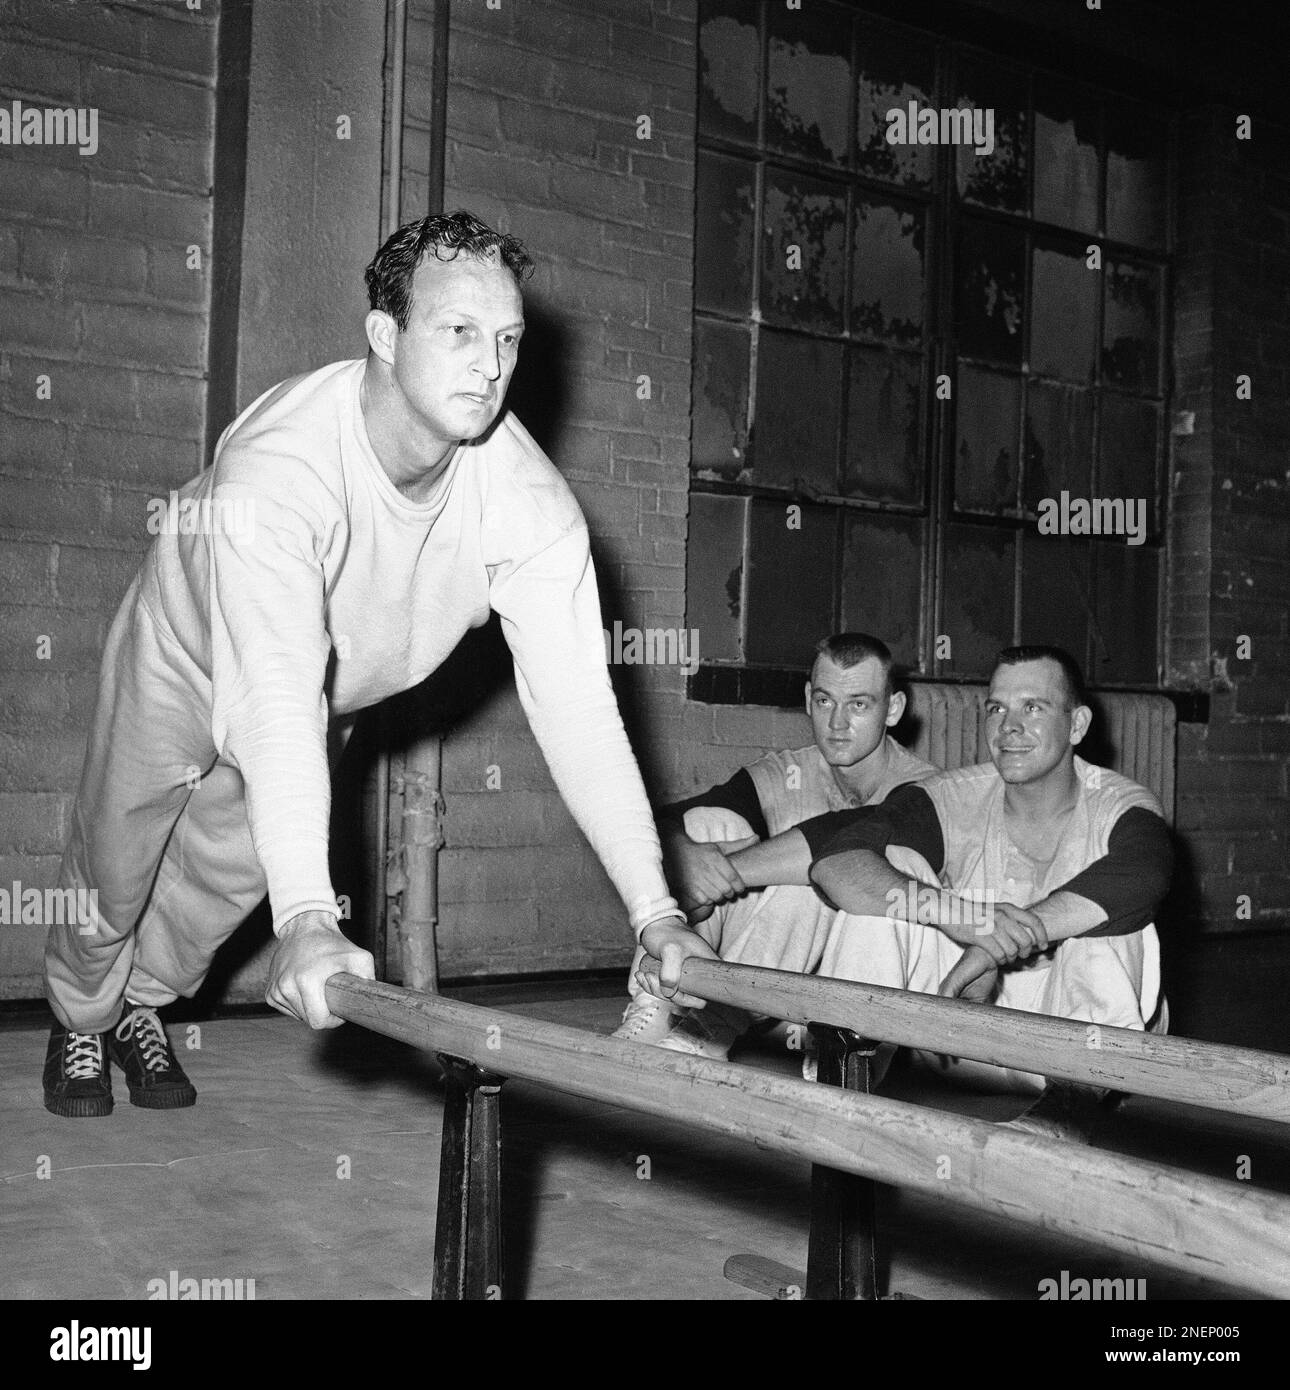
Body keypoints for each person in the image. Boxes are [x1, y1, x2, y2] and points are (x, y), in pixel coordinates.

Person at [42, 210, 696, 1119]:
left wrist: (654, 911)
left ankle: (142, 1008)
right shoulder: (279, 467)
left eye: (506, 338)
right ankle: (80, 1014)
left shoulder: (533, 510)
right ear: (384, 334)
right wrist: (311, 920)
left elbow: (583, 715)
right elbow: (270, 693)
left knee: (217, 892)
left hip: (319, 693)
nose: (490, 363)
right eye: (458, 331)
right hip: (184, 653)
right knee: (117, 864)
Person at [698, 645, 1173, 1103]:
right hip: (961, 1023)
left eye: (1033, 708)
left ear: (1077, 724)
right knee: (889, 883)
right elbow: (837, 855)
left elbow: (1144, 872)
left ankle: (1068, 1114)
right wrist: (957, 915)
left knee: (1117, 925)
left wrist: (993, 945)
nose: (1010, 727)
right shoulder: (955, 794)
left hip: (1072, 1037)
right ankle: (843, 1086)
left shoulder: (1118, 803)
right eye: (996, 709)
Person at [614, 633, 937, 1061]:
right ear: (808, 699)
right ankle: (662, 1006)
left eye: (858, 704)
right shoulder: (785, 771)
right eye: (825, 701)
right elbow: (661, 820)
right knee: (704, 825)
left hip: (865, 994)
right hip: (770, 986)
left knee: (821, 872)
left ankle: (710, 1030)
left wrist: (729, 870)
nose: (838, 723)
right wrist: (687, 854)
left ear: (892, 709)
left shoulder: (926, 788)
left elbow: (837, 839)